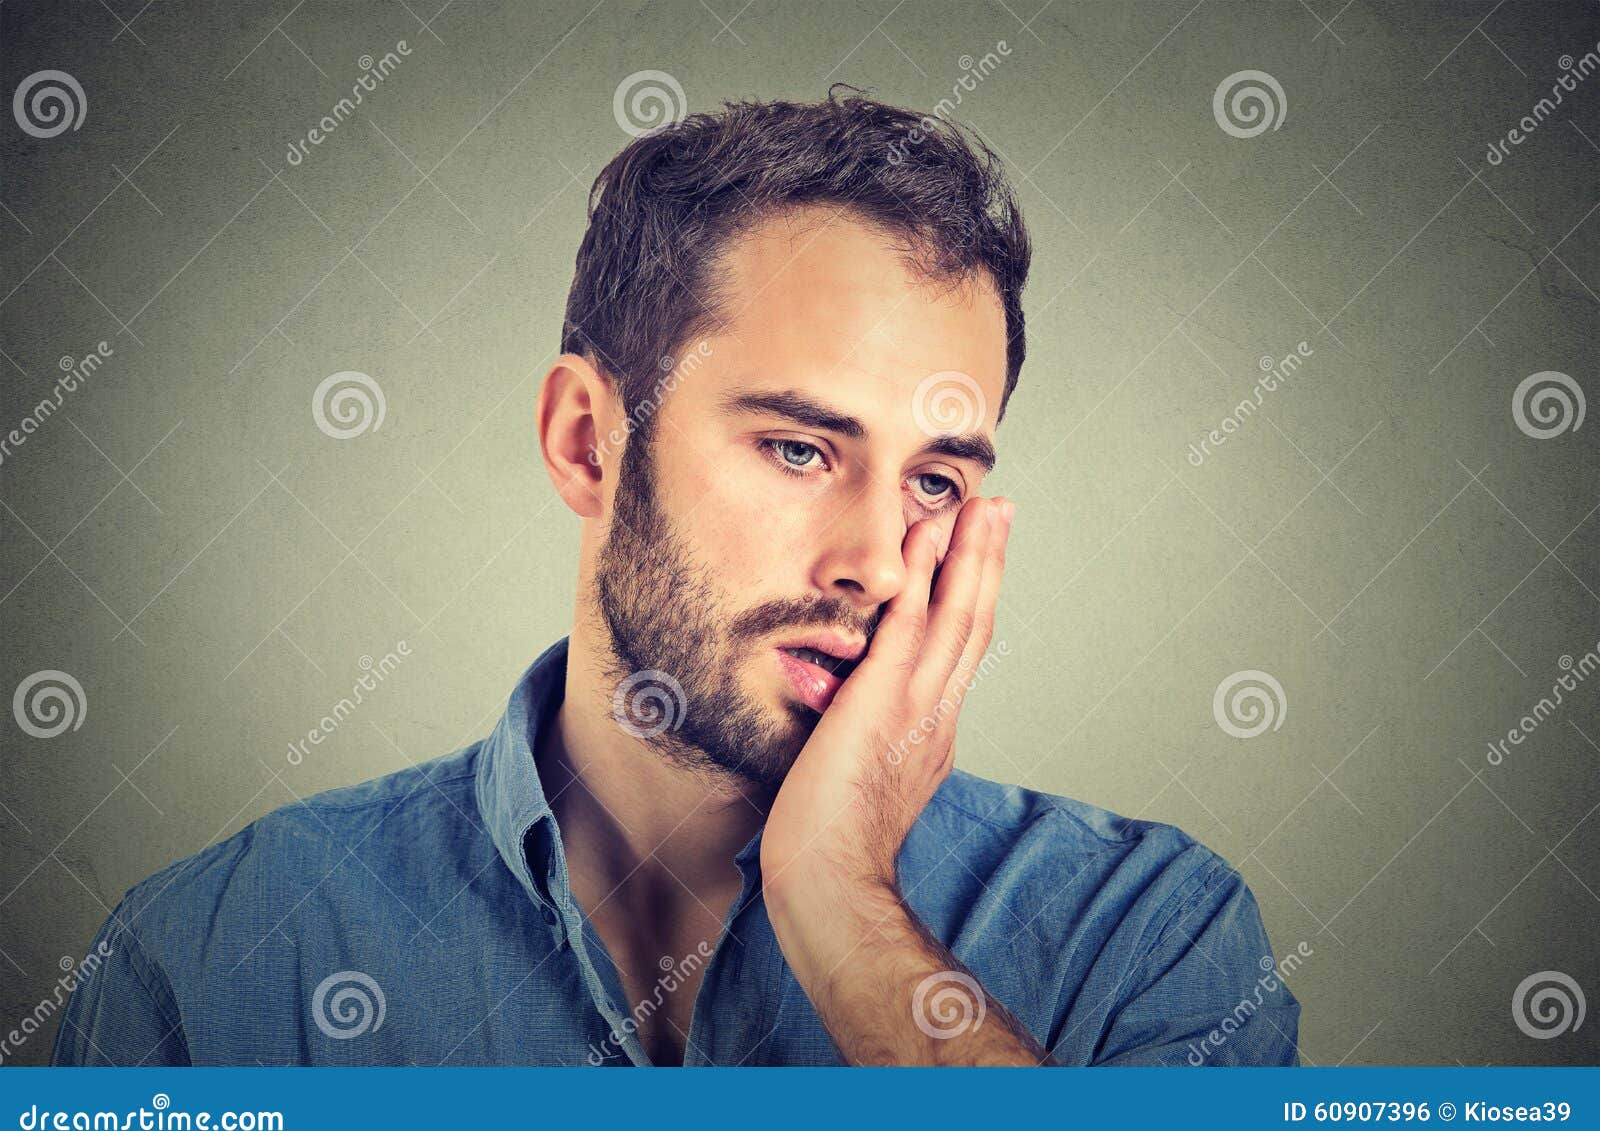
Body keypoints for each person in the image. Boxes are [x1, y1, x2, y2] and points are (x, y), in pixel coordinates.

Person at [53, 89, 1299, 1067]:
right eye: (801, 447)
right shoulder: (219, 963)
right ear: (588, 440)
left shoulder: (1139, 937)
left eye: (934, 480)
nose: (872, 561)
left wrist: (838, 898)